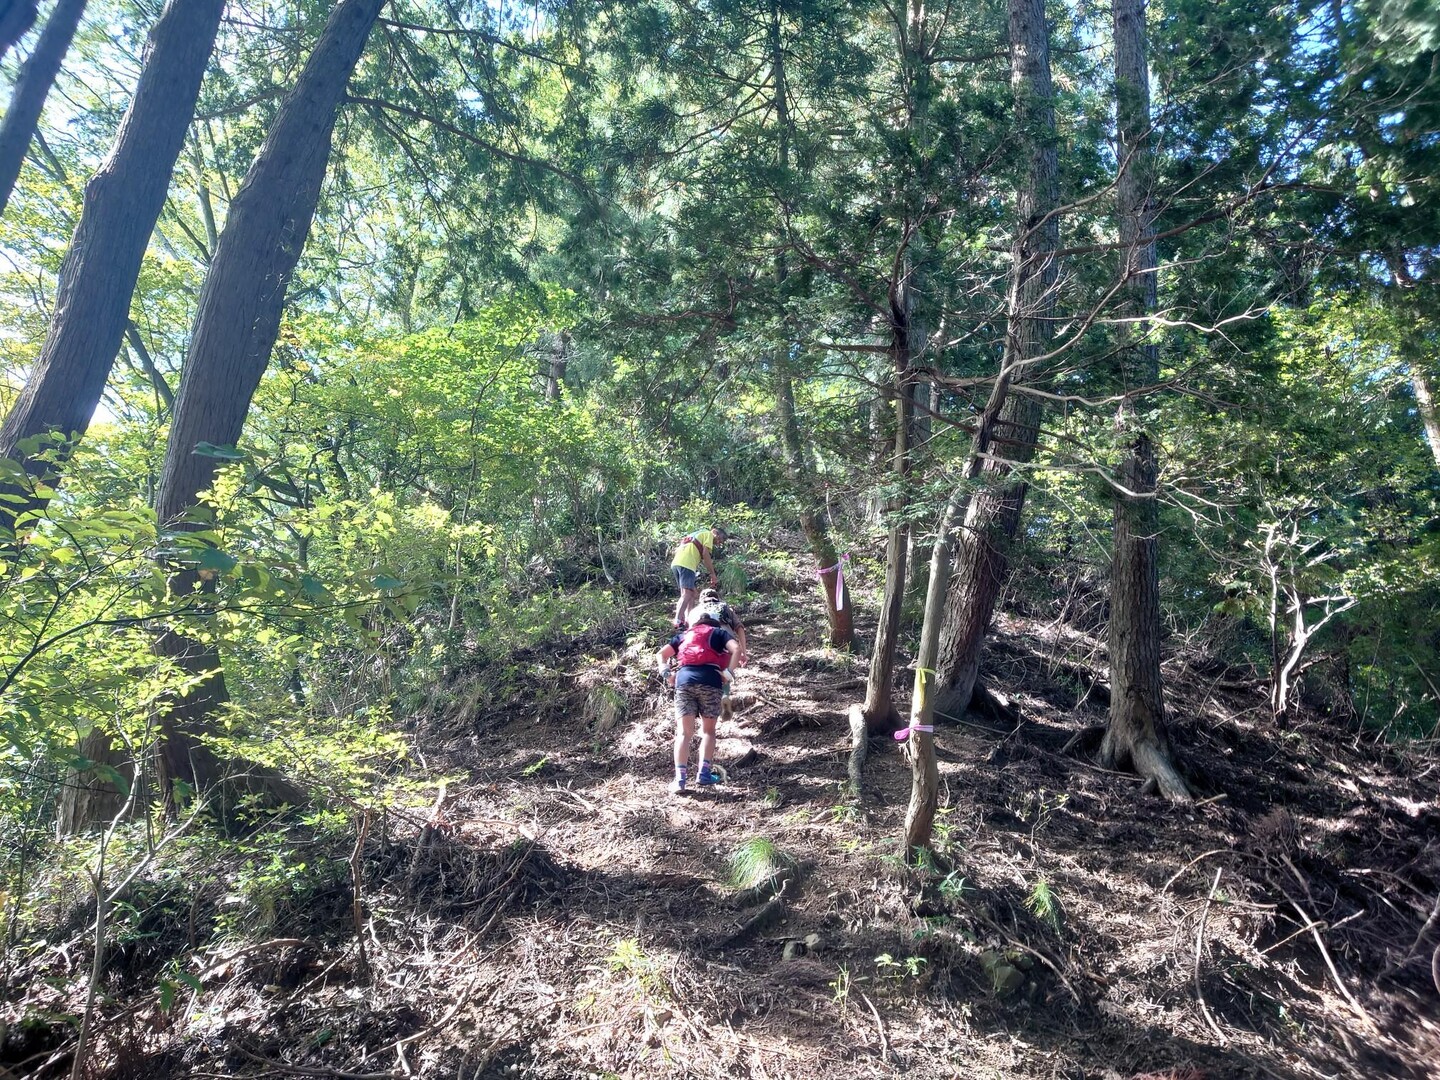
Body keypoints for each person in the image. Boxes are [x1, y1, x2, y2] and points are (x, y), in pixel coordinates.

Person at [656, 602, 739, 795]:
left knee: (684, 733)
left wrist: (667, 674)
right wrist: (728, 674)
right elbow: (736, 650)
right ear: (713, 621)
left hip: (684, 681)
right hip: (711, 681)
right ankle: (703, 773)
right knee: (708, 731)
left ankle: (680, 780)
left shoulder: (683, 636)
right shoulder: (719, 633)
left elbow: (661, 655)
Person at [669, 526, 727, 629]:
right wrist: (712, 574)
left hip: (677, 563)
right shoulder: (708, 534)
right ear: (715, 533)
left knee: (691, 593)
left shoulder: (697, 534)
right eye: (720, 539)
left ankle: (687, 621)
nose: (718, 543)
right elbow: (705, 554)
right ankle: (678, 621)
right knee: (687, 594)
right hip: (687, 563)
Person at [698, 586, 749, 669]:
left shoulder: (696, 610)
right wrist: (743, 653)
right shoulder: (724, 608)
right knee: (724, 673)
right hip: (725, 645)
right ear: (717, 598)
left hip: (702, 647)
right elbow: (740, 628)